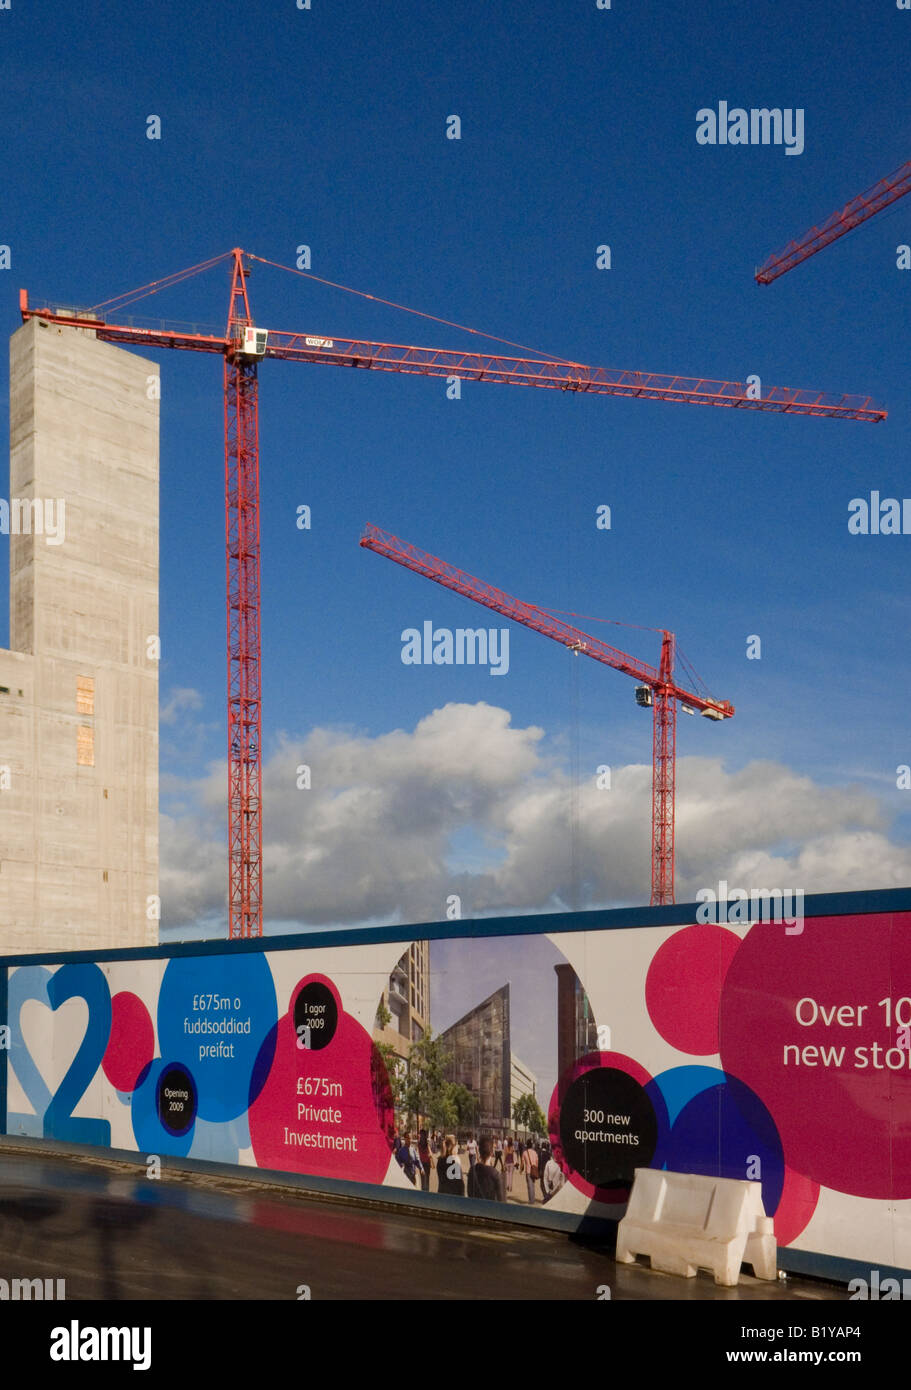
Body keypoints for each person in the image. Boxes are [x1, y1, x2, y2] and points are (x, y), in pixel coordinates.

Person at [466, 1134, 505, 1202]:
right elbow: (501, 1200)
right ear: (491, 1152)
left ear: (479, 1151)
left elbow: (469, 1193)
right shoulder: (495, 1174)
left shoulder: (472, 1170)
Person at [521, 1138, 539, 1203]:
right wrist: (536, 1169)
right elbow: (537, 1162)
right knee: (533, 1185)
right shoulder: (535, 1152)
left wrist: (521, 1170)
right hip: (534, 1170)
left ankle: (531, 1200)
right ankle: (532, 1199)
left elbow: (522, 1163)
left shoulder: (524, 1153)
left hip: (528, 1171)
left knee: (529, 1186)